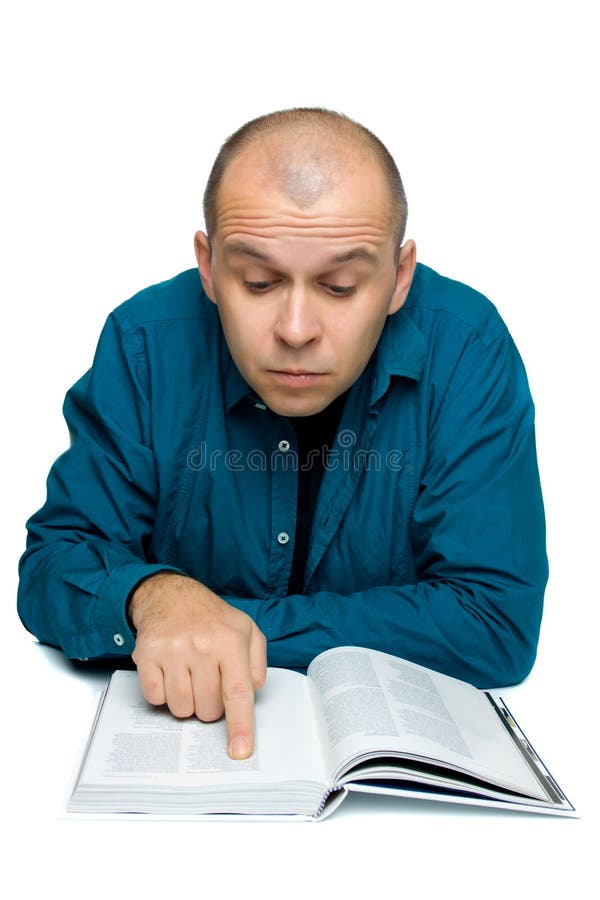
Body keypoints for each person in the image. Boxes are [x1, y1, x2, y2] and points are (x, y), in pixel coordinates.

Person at [17, 107, 548, 760]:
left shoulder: (467, 347)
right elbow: (53, 567)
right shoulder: (145, 342)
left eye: (341, 285)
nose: (296, 328)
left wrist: (223, 625)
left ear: (399, 277)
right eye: (259, 281)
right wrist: (156, 596)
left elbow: (494, 622)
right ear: (208, 267)